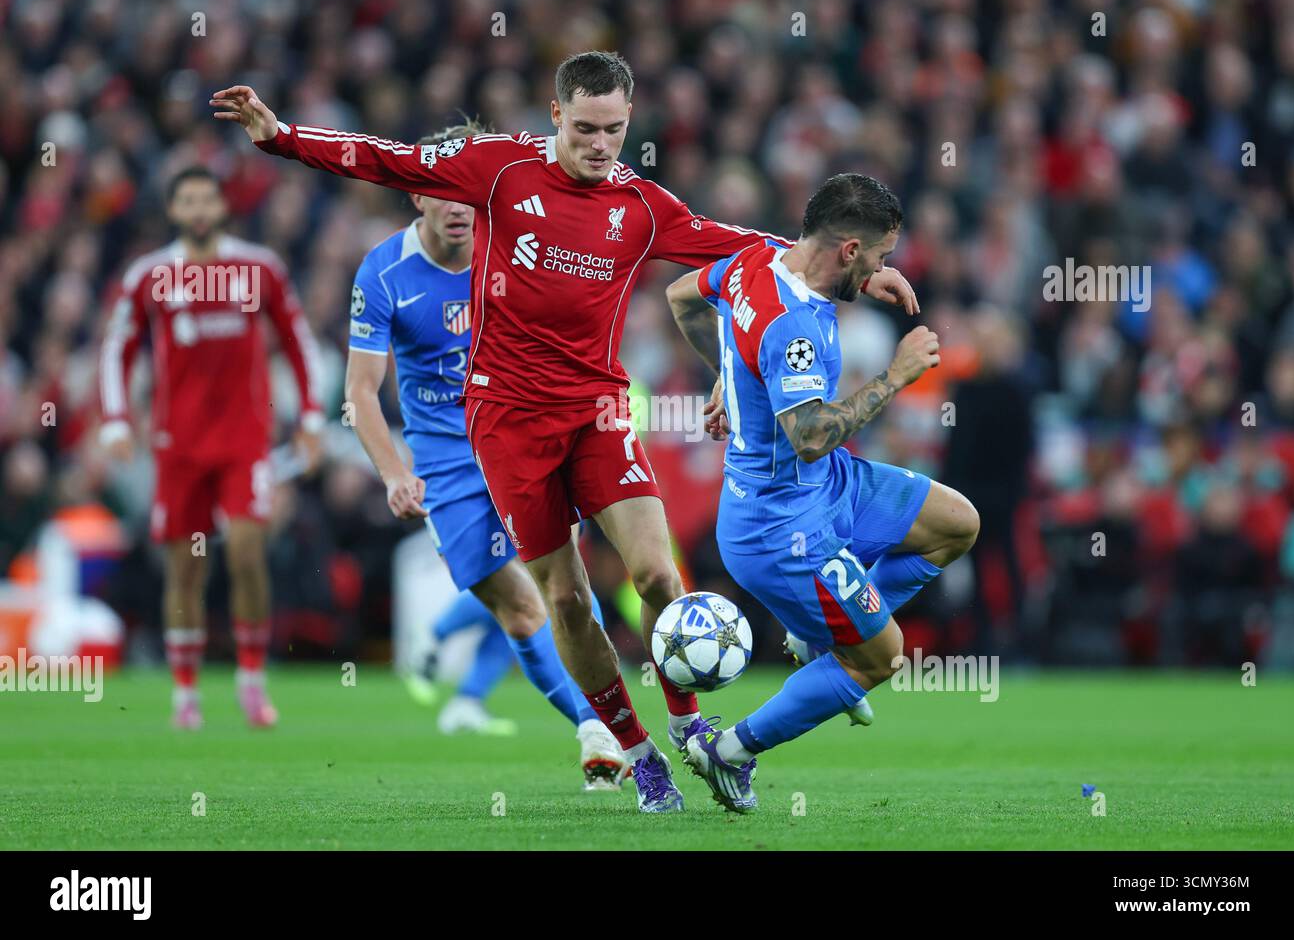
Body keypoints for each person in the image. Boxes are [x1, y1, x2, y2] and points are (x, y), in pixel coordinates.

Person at [210, 51, 915, 812]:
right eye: (585, 127)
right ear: (555, 117)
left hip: (599, 409)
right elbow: (387, 159)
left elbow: (742, 247)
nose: (600, 144)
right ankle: (640, 756)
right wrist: (281, 136)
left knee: (656, 576)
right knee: (568, 601)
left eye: (614, 129)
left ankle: (689, 727)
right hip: (507, 423)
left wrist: (850, 269)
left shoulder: (642, 205)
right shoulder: (499, 171)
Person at [665, 173, 980, 811]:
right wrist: (897, 374)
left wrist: (729, 375)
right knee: (882, 659)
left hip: (830, 485)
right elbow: (810, 434)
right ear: (847, 249)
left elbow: (681, 297)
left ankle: (829, 636)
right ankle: (727, 753)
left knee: (957, 523)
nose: (884, 267)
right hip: (779, 527)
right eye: (878, 256)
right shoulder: (796, 327)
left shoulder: (755, 258)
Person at [344, 124, 626, 786]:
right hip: (446, 466)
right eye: (441, 188)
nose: (456, 204)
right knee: (522, 607)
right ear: (418, 195)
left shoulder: (523, 253)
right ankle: (593, 725)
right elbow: (359, 392)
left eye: (467, 189)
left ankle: (603, 729)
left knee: (565, 595)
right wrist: (394, 472)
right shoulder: (383, 272)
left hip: (527, 438)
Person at [99, 166, 324, 730]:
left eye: (208, 199)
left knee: (248, 552)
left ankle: (251, 681)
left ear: (222, 208)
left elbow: (299, 340)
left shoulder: (259, 269)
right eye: (187, 201)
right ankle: (185, 693)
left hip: (245, 442)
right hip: (177, 446)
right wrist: (116, 419)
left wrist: (313, 416)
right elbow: (117, 348)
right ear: (174, 211)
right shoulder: (149, 274)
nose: (199, 209)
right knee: (186, 568)